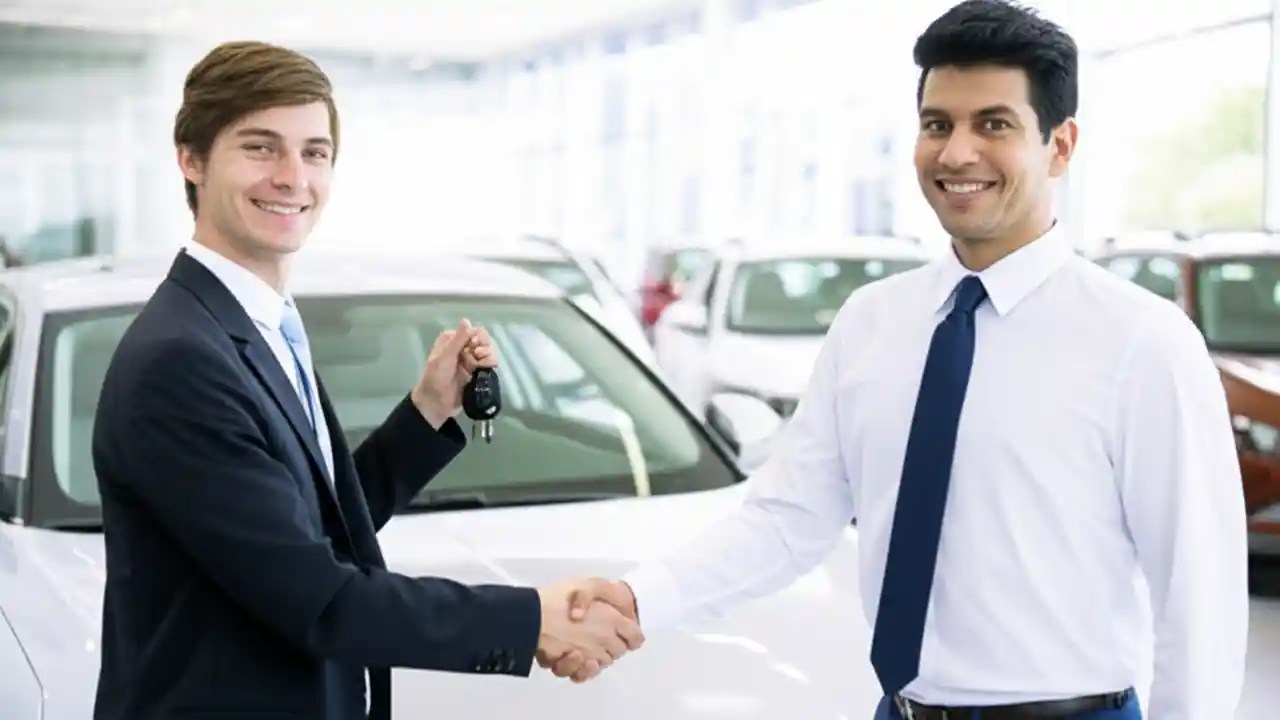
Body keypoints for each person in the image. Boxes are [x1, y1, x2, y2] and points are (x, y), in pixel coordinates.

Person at [553, 1, 1249, 718]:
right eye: (937, 124)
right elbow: (787, 519)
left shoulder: (1142, 342)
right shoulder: (872, 323)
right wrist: (638, 599)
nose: (956, 153)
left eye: (994, 124)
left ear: (1060, 146)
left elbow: (1199, 598)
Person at [90, 41, 641, 720]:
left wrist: (425, 413)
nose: (294, 177)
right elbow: (319, 598)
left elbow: (309, 527)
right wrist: (533, 621)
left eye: (315, 152)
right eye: (261, 147)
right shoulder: (179, 360)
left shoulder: (257, 324)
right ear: (191, 158)